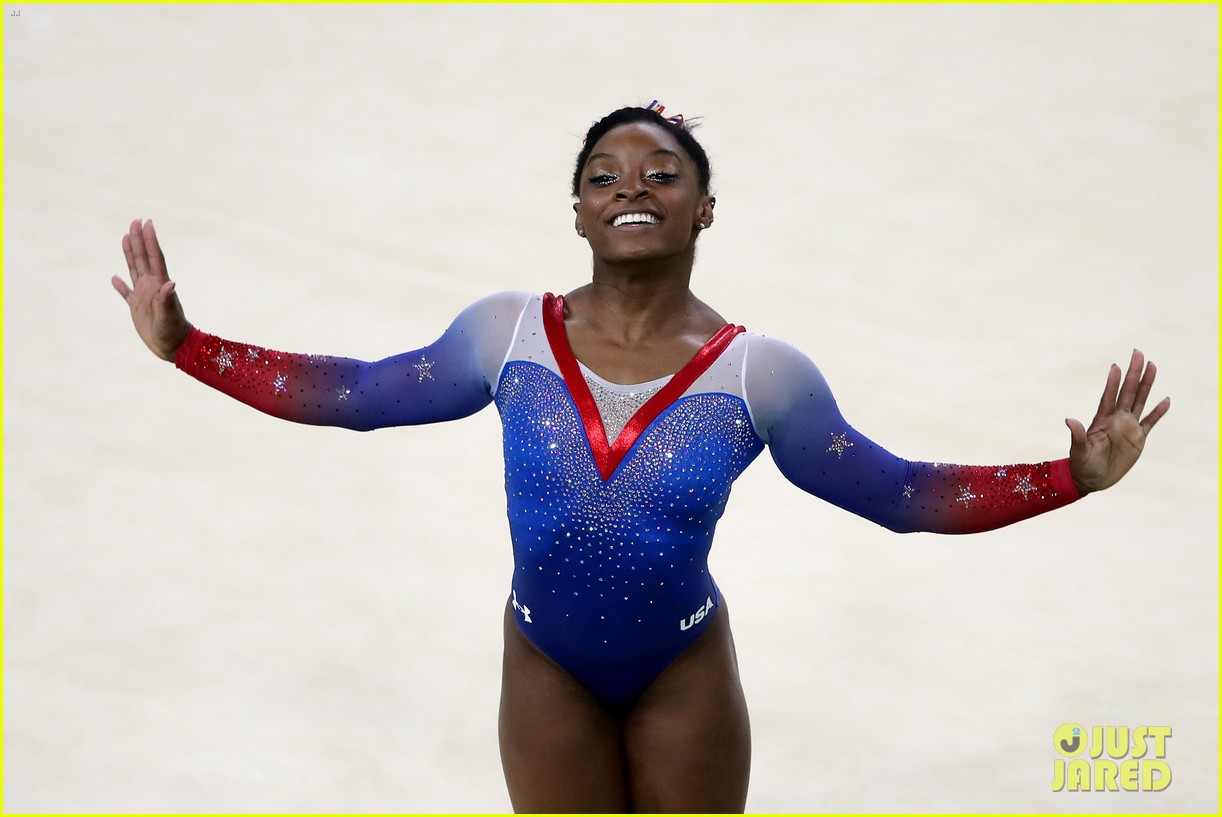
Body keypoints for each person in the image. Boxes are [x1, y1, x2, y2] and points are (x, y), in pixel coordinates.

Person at [112, 104, 1170, 813]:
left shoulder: (758, 374)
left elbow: (898, 492)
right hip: (546, 665)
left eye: (664, 174)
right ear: (576, 209)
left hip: (681, 670)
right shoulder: (507, 336)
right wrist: (189, 348)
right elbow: (354, 394)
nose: (633, 186)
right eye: (604, 174)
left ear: (704, 209)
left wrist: (1067, 478)